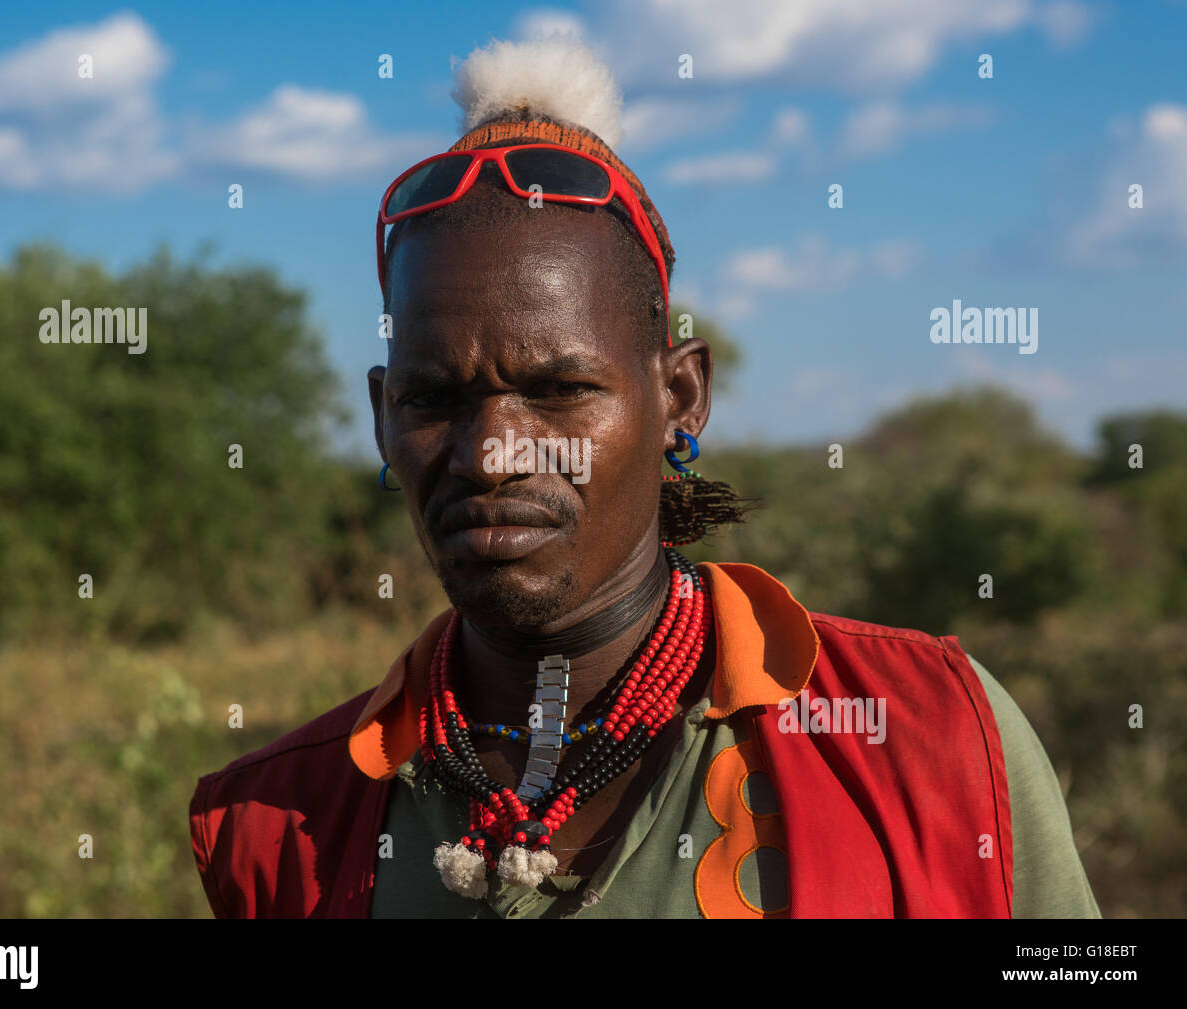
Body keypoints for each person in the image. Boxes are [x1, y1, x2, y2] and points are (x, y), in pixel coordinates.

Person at [188, 36, 1100, 919]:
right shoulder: (279, 822)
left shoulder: (930, 735)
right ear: (385, 418)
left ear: (680, 398)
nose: (493, 452)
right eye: (434, 398)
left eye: (558, 389)